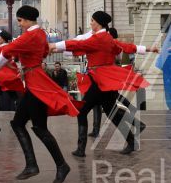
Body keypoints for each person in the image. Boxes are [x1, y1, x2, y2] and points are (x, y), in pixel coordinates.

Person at [51, 11, 157, 157]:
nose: (91, 23)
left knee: (82, 111)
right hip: (106, 80)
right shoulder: (107, 37)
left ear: (99, 23)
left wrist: (53, 45)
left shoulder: (99, 38)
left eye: (92, 21)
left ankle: (81, 149)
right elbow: (125, 46)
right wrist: (149, 49)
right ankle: (131, 141)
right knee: (111, 112)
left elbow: (77, 43)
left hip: (100, 81)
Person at [0, 5, 75, 183]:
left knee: (37, 127)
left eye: (20, 20)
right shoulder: (40, 34)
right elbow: (45, 51)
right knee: (20, 124)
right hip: (34, 80)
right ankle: (38, 165)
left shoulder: (30, 35)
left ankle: (54, 165)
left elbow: (7, 50)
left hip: (35, 84)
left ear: (28, 20)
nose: (19, 24)